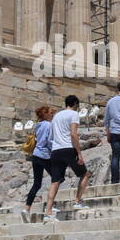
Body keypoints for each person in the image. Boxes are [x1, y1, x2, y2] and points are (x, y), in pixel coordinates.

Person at [43, 94, 90, 222]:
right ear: (75, 104)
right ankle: (78, 201)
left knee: (55, 181)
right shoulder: (74, 114)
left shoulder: (56, 116)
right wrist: (79, 153)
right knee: (85, 174)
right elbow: (74, 134)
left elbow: (51, 136)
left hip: (56, 150)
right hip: (68, 148)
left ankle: (48, 212)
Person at [23, 105, 54, 221]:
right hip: (45, 155)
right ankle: (51, 206)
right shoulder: (48, 125)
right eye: (51, 113)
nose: (52, 115)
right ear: (45, 114)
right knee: (58, 179)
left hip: (36, 155)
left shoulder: (38, 125)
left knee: (37, 184)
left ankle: (26, 208)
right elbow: (49, 141)